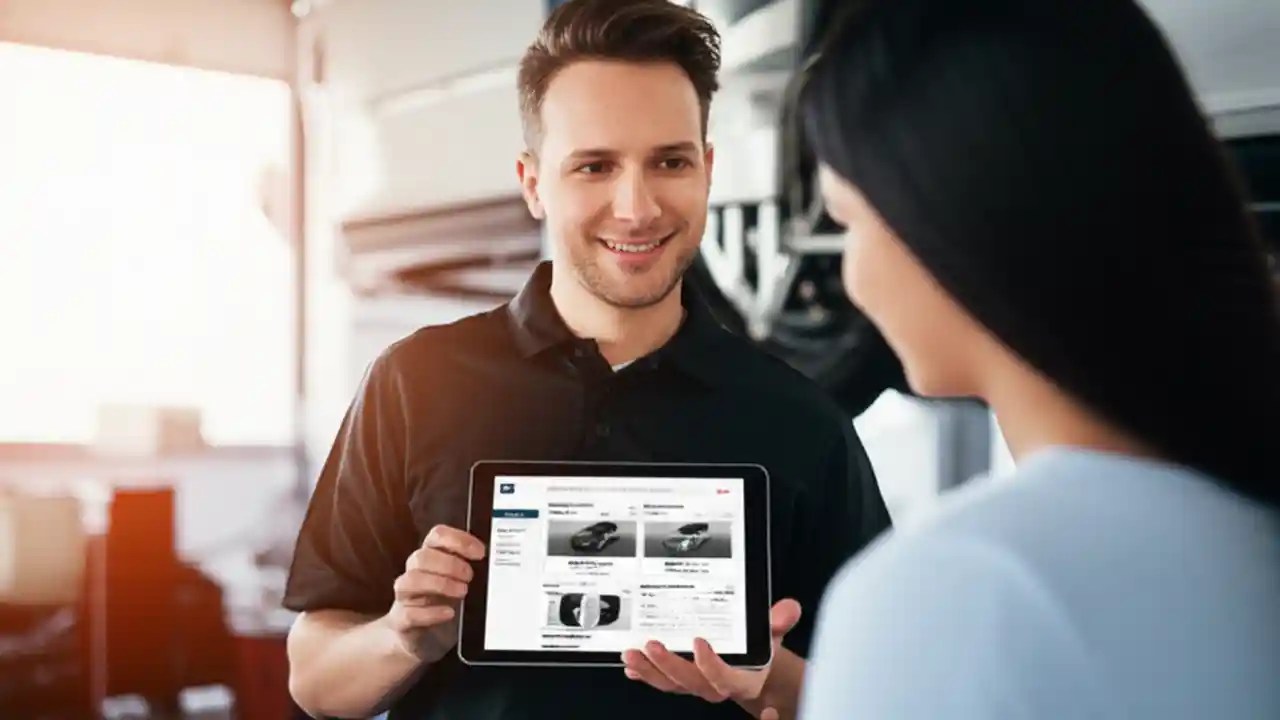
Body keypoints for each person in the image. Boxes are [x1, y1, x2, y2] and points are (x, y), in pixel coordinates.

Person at [281, 1, 891, 719]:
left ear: (707, 170)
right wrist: (402, 638)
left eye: (669, 162)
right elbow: (313, 679)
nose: (636, 208)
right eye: (595, 166)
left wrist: (770, 678)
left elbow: (885, 695)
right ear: (533, 182)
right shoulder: (415, 383)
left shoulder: (801, 421)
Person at [782, 0, 1280, 718]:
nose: (850, 277)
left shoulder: (949, 594)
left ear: (945, 217)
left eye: (847, 221)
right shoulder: (1244, 526)